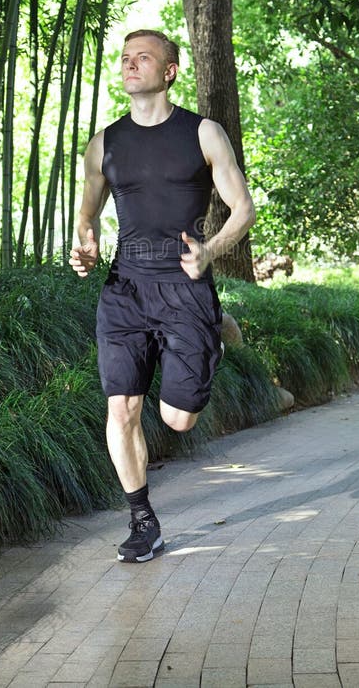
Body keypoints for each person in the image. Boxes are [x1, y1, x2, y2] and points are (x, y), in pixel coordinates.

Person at [69, 29, 255, 563]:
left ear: (169, 71)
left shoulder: (203, 133)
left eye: (142, 57)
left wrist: (210, 251)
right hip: (124, 288)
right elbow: (87, 212)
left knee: (178, 419)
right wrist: (85, 243)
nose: (130, 65)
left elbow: (242, 208)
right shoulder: (105, 142)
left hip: (183, 282)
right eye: (125, 58)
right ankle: (142, 520)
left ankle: (212, 330)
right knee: (121, 409)